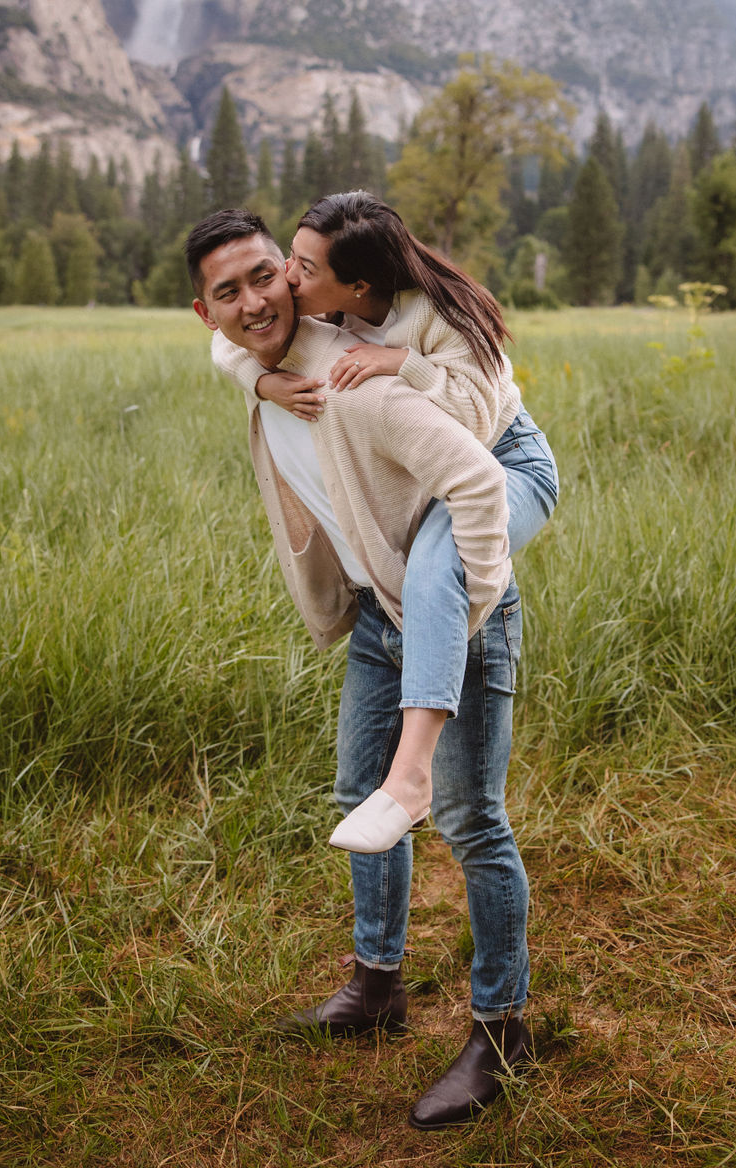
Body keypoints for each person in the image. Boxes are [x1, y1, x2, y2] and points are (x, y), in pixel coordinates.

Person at [187, 208, 533, 1130]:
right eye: (233, 292)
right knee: (354, 795)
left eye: (274, 275)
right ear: (204, 312)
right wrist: (260, 384)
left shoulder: (358, 370)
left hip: (456, 612)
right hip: (383, 616)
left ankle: (501, 1030)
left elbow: (482, 476)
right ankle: (377, 985)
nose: (262, 299)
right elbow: (237, 353)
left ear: (307, 281)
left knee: (471, 823)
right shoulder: (257, 360)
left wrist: (474, 608)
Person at [211, 191, 558, 854]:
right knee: (425, 566)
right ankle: (381, 937)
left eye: (303, 271)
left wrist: (402, 365)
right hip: (449, 468)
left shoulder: (435, 315)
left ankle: (411, 776)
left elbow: (476, 423)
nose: (285, 280)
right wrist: (263, 383)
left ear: (357, 284)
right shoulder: (331, 308)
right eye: (294, 259)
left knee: (434, 568)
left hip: (508, 457)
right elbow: (225, 345)